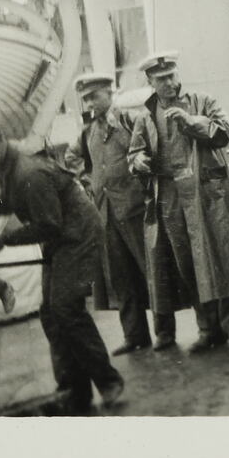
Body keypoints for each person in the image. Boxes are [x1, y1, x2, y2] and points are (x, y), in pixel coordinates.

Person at [0, 111, 123, 414]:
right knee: (51, 313)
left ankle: (108, 381)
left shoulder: (28, 173)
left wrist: (4, 239)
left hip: (78, 235)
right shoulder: (7, 167)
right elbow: (10, 198)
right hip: (63, 236)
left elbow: (49, 225)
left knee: (65, 308)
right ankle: (73, 390)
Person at [127, 52, 229, 351]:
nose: (169, 83)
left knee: (222, 259)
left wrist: (191, 122)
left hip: (207, 194)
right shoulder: (145, 116)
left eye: (172, 75)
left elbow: (225, 133)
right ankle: (208, 330)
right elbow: (133, 154)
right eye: (161, 79)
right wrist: (139, 161)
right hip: (170, 197)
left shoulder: (202, 102)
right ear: (150, 82)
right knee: (188, 264)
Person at [74, 72, 175, 354]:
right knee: (121, 277)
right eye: (86, 99)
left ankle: (165, 332)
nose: (90, 103)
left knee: (150, 270)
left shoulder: (130, 120)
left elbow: (152, 151)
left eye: (94, 96)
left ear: (109, 93)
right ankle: (134, 335)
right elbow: (74, 157)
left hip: (135, 209)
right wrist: (87, 181)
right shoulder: (88, 131)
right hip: (106, 213)